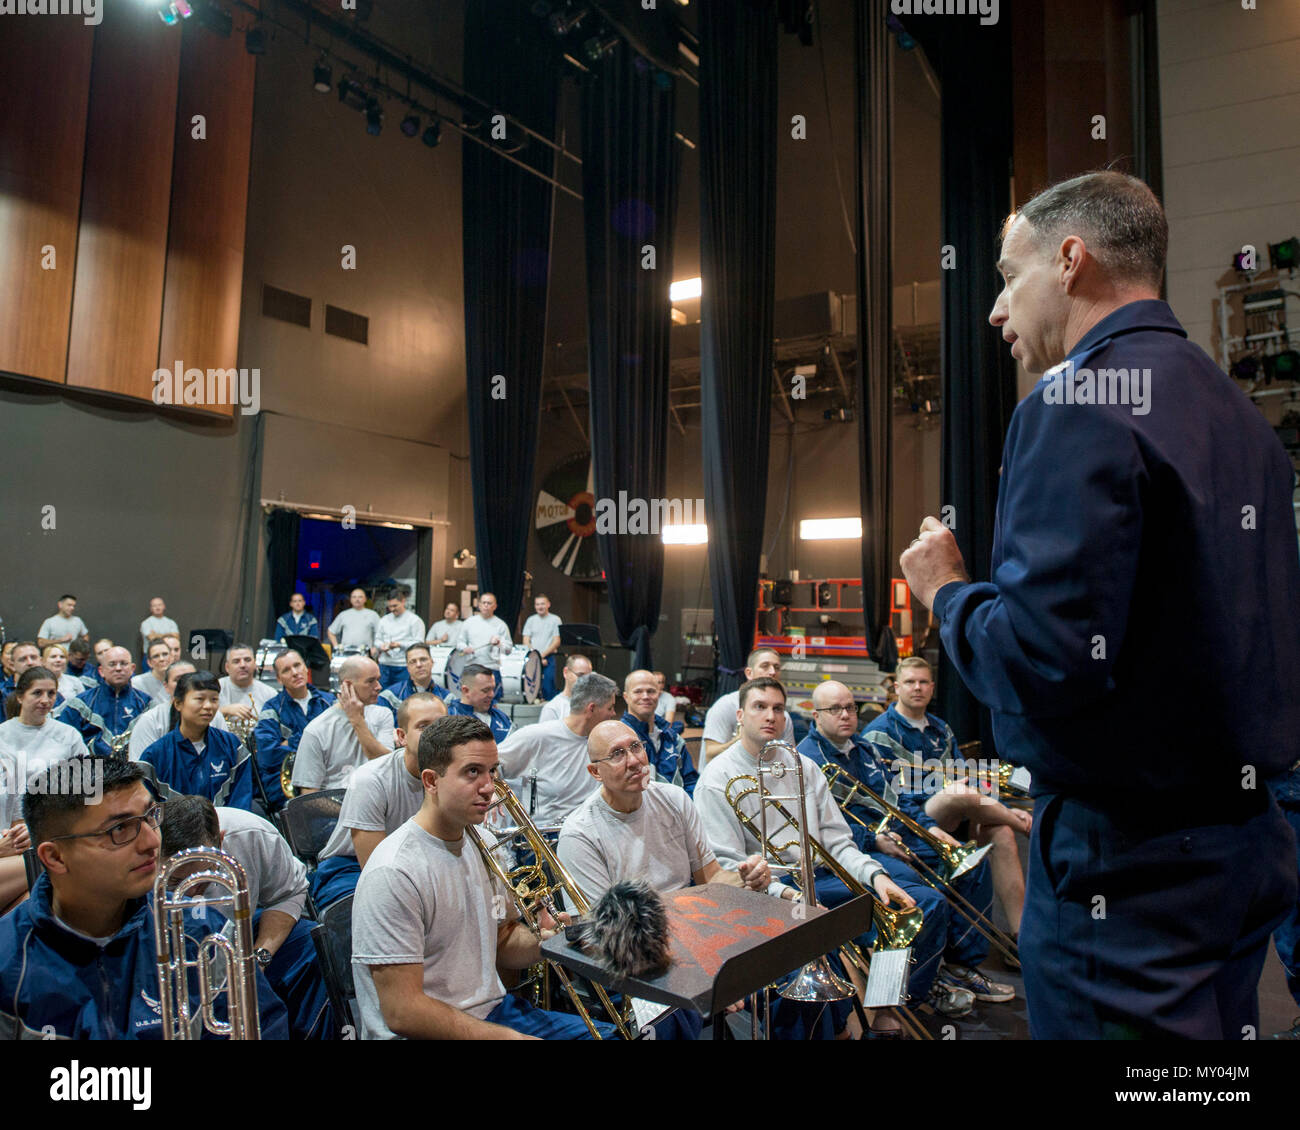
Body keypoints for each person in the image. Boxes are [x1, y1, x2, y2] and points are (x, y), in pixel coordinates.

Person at [900, 170, 1300, 1040]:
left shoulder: (1075, 401)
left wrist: (946, 590)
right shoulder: (1246, 422)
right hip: (1243, 847)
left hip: (1128, 869)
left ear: (1072, 260)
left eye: (1009, 276)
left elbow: (1042, 658)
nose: (998, 311)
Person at [351, 714, 615, 1039]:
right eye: (472, 772)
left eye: (493, 771)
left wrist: (545, 942)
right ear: (431, 781)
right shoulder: (394, 870)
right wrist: (506, 1038)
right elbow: (402, 1011)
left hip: (491, 1013)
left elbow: (501, 939)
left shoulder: (485, 842)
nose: (489, 787)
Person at [693, 677, 930, 1037]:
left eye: (777, 708)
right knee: (820, 937)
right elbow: (729, 870)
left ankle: (884, 1013)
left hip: (820, 877)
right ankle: (839, 1029)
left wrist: (875, 876)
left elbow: (837, 843)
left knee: (902, 909)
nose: (770, 716)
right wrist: (789, 895)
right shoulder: (717, 778)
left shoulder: (804, 767)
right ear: (740, 715)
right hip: (768, 894)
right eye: (760, 707)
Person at [0, 758, 288, 1039]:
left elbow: (265, 1026)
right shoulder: (7, 958)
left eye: (151, 816)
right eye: (119, 829)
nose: (152, 842)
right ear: (55, 857)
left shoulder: (202, 932)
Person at [801, 678, 1004, 1014]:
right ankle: (913, 990)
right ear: (816, 715)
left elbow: (897, 800)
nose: (846, 715)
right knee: (918, 893)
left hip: (891, 836)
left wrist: (928, 829)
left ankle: (960, 964)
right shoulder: (809, 759)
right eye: (835, 709)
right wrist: (874, 839)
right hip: (858, 850)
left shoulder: (865, 748)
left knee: (972, 866)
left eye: (850, 707)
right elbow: (823, 829)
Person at [862, 659, 1030, 961]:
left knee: (1001, 832)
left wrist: (999, 807)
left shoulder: (941, 729)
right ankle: (1028, 825)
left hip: (955, 809)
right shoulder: (879, 733)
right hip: (913, 818)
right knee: (958, 791)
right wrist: (944, 786)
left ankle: (1019, 939)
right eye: (910, 682)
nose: (917, 688)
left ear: (932, 688)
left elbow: (973, 779)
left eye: (924, 682)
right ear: (897, 687)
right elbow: (891, 795)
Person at [160, 794, 334, 1039]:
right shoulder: (142, 857)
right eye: (176, 881)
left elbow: (288, 893)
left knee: (308, 943)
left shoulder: (251, 833)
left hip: (239, 944)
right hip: (172, 958)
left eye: (202, 875)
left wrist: (259, 956)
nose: (190, 892)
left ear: (219, 842)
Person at [312, 693, 446, 910]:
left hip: (421, 863)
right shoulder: (370, 779)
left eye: (441, 726)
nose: (435, 735)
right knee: (388, 907)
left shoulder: (451, 777)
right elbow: (375, 871)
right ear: (402, 736)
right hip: (349, 868)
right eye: (423, 726)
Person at [0, 667, 90, 909]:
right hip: (7, 841)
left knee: (27, 902)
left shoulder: (69, 735)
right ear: (20, 696)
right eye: (37, 693)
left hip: (52, 836)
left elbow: (92, 796)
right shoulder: (2, 735)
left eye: (51, 693)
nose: (45, 700)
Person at [496, 673, 619, 828]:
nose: (614, 714)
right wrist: (493, 792)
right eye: (610, 707)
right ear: (592, 708)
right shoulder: (537, 736)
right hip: (544, 839)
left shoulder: (602, 743)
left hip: (589, 833)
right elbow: (490, 765)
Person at [140, 670, 254, 811]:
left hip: (226, 829)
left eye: (214, 699)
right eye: (200, 699)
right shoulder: (155, 755)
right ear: (178, 704)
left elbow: (241, 802)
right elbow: (146, 809)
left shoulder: (232, 746)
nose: (208, 706)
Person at [291, 656, 396, 794]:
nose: (379, 687)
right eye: (370, 681)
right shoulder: (316, 730)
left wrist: (357, 721)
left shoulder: (383, 715)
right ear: (348, 686)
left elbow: (386, 767)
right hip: (335, 810)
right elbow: (308, 796)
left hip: (379, 802)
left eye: (378, 679)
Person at [252, 649, 335, 811]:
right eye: (286, 670)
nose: (295, 673)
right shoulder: (271, 709)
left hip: (329, 777)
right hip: (289, 787)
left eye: (297, 666)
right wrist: (310, 742)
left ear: (306, 668)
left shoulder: (330, 702)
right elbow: (268, 756)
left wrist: (288, 742)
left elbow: (340, 745)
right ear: (278, 678)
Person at [701, 648, 794, 764]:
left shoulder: (784, 716)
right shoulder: (725, 706)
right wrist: (740, 741)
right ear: (749, 673)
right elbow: (709, 755)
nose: (772, 672)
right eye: (765, 666)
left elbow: (790, 759)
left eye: (777, 667)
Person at [58, 645, 152, 758]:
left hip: (134, 769)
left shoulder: (146, 704)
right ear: (101, 671)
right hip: (91, 770)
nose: (118, 668)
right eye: (112, 664)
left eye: (123, 663)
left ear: (132, 669)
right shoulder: (80, 704)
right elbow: (63, 741)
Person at [129, 659, 231, 760]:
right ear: (166, 686)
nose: (185, 684)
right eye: (178, 680)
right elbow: (140, 768)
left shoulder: (214, 715)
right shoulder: (150, 720)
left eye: (192, 679)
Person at [621, 669, 697, 796]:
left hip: (678, 812)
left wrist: (686, 809)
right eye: (638, 691)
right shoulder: (619, 739)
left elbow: (690, 781)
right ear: (626, 697)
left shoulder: (672, 738)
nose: (645, 696)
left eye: (651, 691)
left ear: (659, 694)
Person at [457, 592, 511, 699]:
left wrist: (499, 643)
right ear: (479, 605)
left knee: (491, 702)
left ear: (495, 606)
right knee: (467, 700)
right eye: (484, 603)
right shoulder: (469, 622)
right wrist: (465, 648)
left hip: (491, 669)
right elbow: (459, 643)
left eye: (489, 603)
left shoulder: (501, 625)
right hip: (471, 668)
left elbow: (508, 649)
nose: (486, 605)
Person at [378, 642, 448, 723]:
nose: (419, 665)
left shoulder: (447, 698)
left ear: (432, 662)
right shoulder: (389, 697)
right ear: (407, 667)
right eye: (413, 661)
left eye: (423, 659)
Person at [374, 586, 427, 689]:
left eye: (395, 606)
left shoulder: (414, 620)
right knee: (382, 695)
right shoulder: (384, 620)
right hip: (385, 664)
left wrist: (400, 644)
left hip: (404, 665)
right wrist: (381, 646)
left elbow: (419, 643)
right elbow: (377, 639)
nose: (392, 609)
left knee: (404, 695)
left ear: (403, 601)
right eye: (390, 607)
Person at [446, 664, 513, 744]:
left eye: (493, 689)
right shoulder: (449, 719)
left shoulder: (502, 717)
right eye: (486, 690)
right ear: (466, 690)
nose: (492, 695)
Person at [218, 642, 277, 727]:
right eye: (236, 661)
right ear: (227, 667)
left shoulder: (270, 694)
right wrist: (225, 710)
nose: (243, 665)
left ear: (255, 664)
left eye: (247, 660)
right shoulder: (215, 688)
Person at [521, 593, 563, 700]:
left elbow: (556, 641)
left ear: (548, 604)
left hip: (548, 658)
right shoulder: (531, 620)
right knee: (531, 686)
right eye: (537, 604)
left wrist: (541, 656)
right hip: (532, 658)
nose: (540, 607)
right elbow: (526, 639)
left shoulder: (555, 620)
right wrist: (535, 656)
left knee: (548, 686)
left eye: (542, 604)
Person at [537, 653, 593, 723]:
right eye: (580, 675)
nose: (585, 681)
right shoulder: (553, 709)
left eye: (588, 677)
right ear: (565, 672)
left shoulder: (592, 706)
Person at [328, 587, 380, 652]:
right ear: (350, 599)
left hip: (365, 653)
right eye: (354, 597)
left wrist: (375, 648)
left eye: (360, 597)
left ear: (365, 599)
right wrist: (336, 647)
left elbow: (380, 634)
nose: (357, 599)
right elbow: (331, 632)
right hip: (346, 653)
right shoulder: (343, 615)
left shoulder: (373, 615)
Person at [130, 639, 173, 706]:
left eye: (165, 654)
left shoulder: (180, 680)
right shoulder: (137, 683)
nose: (161, 659)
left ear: (171, 658)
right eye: (156, 656)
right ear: (149, 662)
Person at [2, 641, 44, 707]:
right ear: (12, 665)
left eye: (33, 657)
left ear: (41, 661)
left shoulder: (52, 693)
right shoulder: (2, 693)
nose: (30, 662)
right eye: (23, 659)